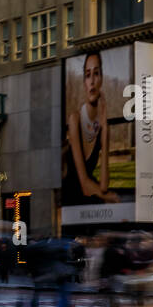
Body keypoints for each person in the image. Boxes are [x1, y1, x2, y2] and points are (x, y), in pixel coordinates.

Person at [62, 51, 119, 205]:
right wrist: (109, 197)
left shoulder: (102, 129)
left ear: (101, 79)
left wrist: (105, 128)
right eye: (88, 75)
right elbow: (85, 184)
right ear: (84, 83)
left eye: (96, 74)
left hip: (89, 203)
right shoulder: (75, 119)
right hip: (70, 202)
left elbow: (104, 186)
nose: (92, 81)